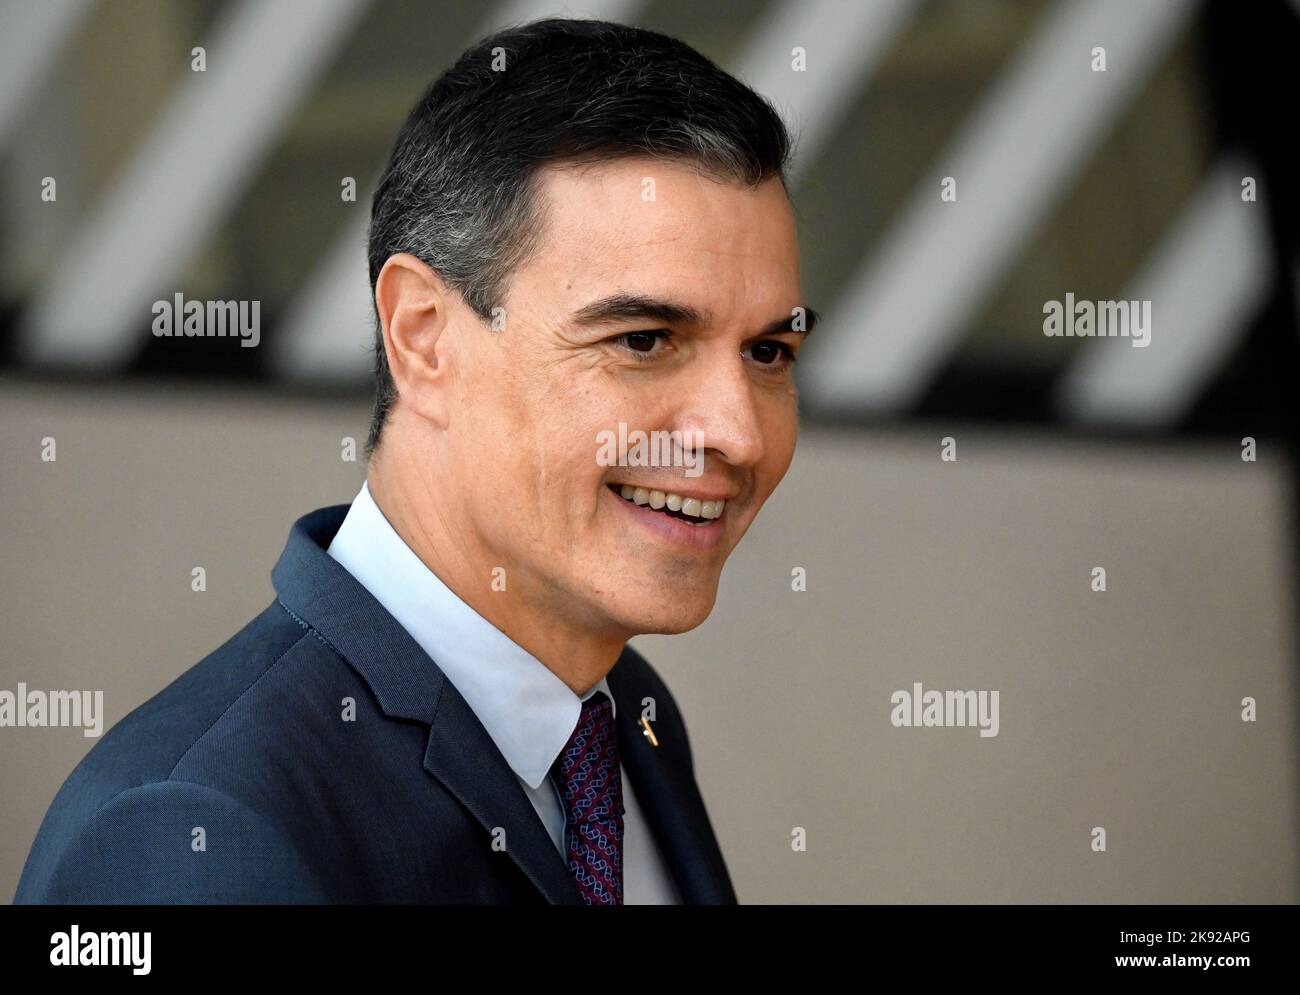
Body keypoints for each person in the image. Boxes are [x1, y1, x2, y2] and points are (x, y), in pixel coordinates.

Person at [15, 16, 815, 905]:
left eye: (769, 353)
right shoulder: (192, 831)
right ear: (423, 339)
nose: (738, 434)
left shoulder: (620, 718)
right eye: (643, 338)